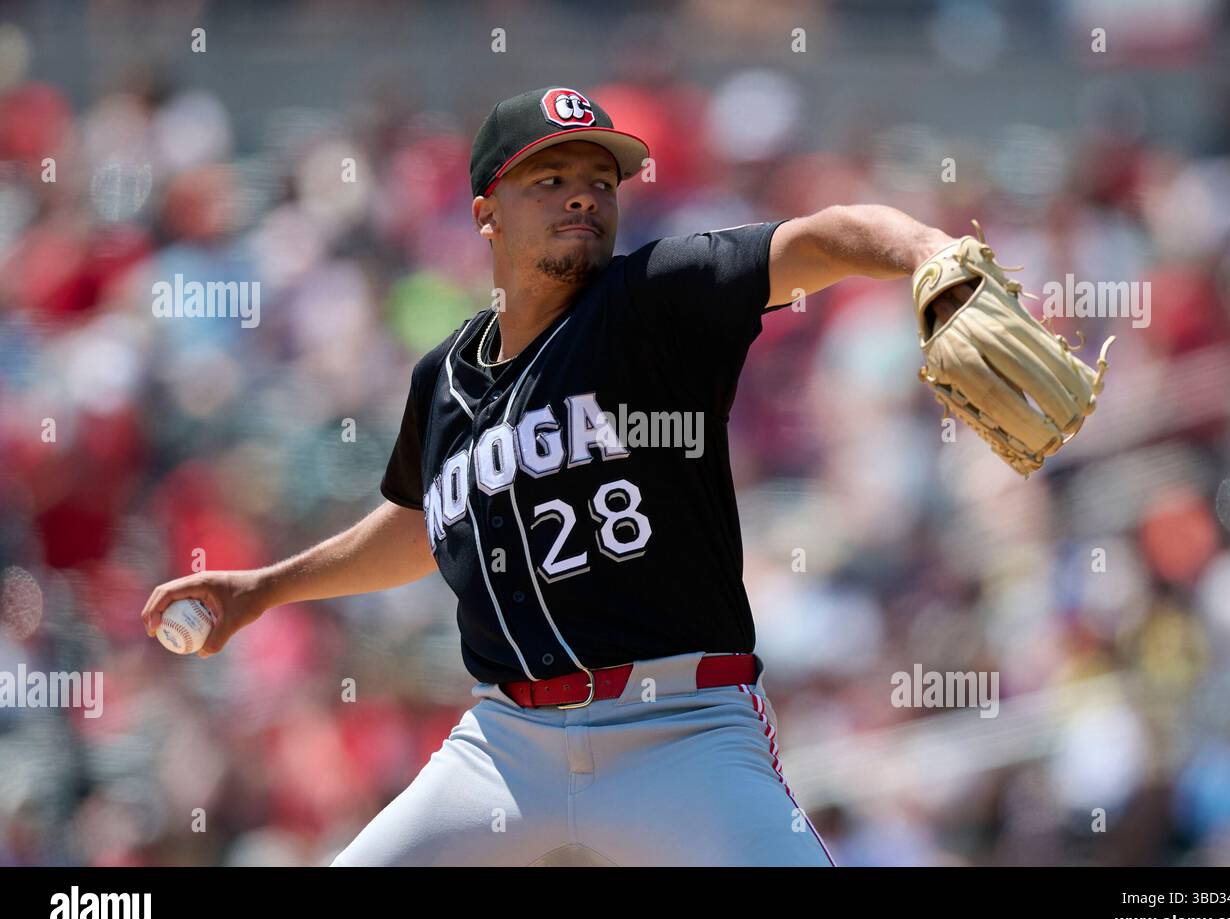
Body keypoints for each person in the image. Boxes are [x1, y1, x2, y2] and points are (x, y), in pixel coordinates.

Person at [141, 85, 970, 866]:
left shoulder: (654, 300)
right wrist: (266, 589)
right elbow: (420, 527)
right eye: (550, 178)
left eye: (599, 180)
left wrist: (930, 253)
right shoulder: (444, 378)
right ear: (485, 214)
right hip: (507, 746)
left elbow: (820, 238)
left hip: (680, 730)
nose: (584, 195)